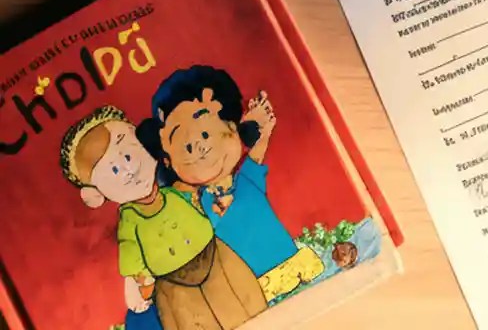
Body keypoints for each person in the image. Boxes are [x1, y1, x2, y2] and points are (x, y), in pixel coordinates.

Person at [60, 106, 267, 330]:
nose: (129, 168)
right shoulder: (130, 222)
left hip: (216, 256)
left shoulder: (177, 187)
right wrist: (134, 285)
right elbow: (132, 261)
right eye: (114, 170)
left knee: (250, 307)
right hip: (174, 283)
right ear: (94, 196)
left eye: (128, 153)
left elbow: (209, 192)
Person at [138, 66, 323, 303]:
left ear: (233, 126)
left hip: (297, 273)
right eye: (186, 145)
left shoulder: (245, 181)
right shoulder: (193, 205)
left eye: (206, 134)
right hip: (252, 296)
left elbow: (257, 148)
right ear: (168, 161)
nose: (201, 147)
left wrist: (261, 127)